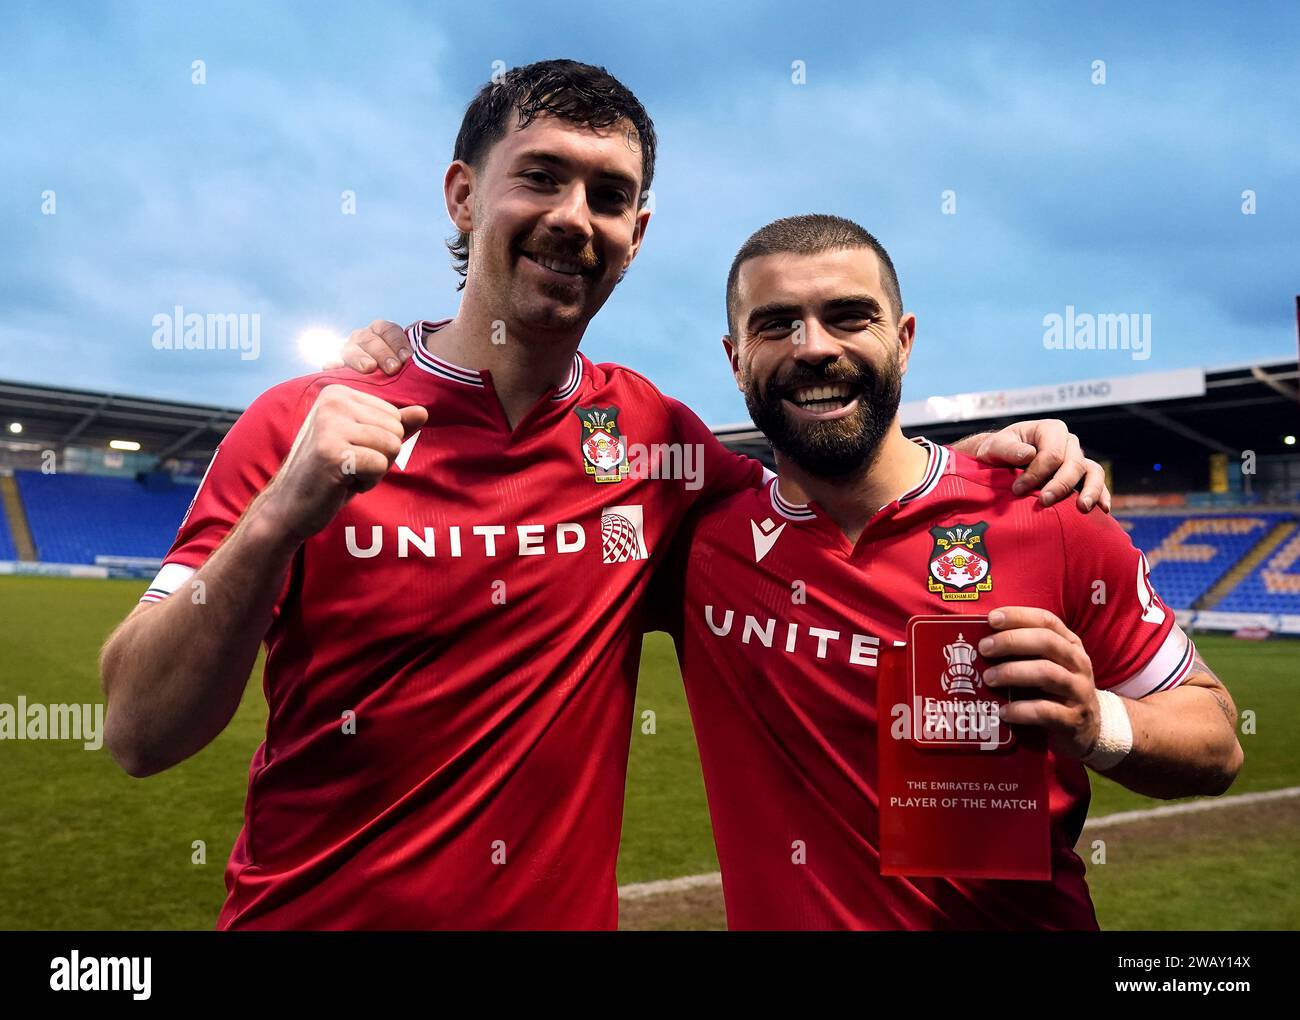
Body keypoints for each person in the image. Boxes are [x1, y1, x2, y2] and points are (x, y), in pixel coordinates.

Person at [101, 61, 1106, 930]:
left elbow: (832, 493)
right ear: (461, 196)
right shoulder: (302, 426)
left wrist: (980, 470)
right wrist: (279, 518)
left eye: (609, 193)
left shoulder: (656, 444)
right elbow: (139, 733)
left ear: (638, 229)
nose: (573, 217)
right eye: (538, 177)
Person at [650, 214, 1242, 929]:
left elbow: (1216, 739)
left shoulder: (1047, 514)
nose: (813, 348)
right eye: (776, 324)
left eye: (848, 317)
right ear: (734, 358)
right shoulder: (699, 540)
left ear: (903, 341)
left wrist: (1097, 724)